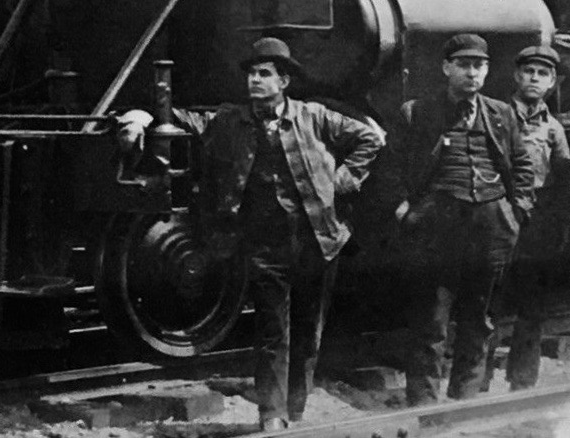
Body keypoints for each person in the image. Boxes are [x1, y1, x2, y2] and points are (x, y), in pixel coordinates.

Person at [118, 37, 383, 430]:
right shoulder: (230, 121)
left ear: (284, 81)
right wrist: (141, 116)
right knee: (272, 332)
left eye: (264, 74)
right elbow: (183, 119)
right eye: (251, 74)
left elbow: (370, 137)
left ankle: (296, 409)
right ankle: (272, 414)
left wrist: (342, 180)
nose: (254, 81)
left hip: (317, 241)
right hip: (264, 245)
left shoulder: (314, 116)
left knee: (308, 333)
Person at [393, 33, 535, 405]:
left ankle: (465, 400)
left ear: (487, 70)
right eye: (464, 65)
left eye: (479, 65)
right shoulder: (418, 112)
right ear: (446, 68)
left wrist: (516, 210)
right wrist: (403, 209)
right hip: (437, 226)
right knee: (431, 319)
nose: (472, 73)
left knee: (480, 319)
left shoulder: (501, 113)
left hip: (490, 225)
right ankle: (424, 404)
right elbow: (391, 167)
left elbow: (522, 166)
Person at [483, 44, 570, 391]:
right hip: (501, 215)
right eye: (529, 72)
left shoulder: (553, 129)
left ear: (551, 82)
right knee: (491, 301)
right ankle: (478, 379)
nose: (535, 79)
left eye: (543, 74)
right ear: (517, 76)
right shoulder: (496, 117)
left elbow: (563, 178)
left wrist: (559, 224)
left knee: (532, 305)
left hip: (537, 222)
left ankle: (522, 380)